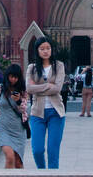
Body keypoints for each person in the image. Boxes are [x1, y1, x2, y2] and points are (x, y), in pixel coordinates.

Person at [25, 36, 66, 168]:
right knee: (37, 150)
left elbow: (58, 88)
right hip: (37, 113)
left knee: (53, 151)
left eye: (48, 48)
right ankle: (42, 173)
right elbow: (29, 88)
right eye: (42, 48)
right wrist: (48, 85)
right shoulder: (31, 68)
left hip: (56, 113)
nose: (45, 51)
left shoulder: (59, 65)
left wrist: (38, 88)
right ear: (37, 50)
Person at [0, 64, 30, 168]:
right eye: (11, 76)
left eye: (16, 77)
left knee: (18, 162)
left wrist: (18, 101)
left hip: (19, 129)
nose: (13, 79)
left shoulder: (23, 90)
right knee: (9, 156)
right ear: (7, 76)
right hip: (4, 128)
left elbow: (23, 110)